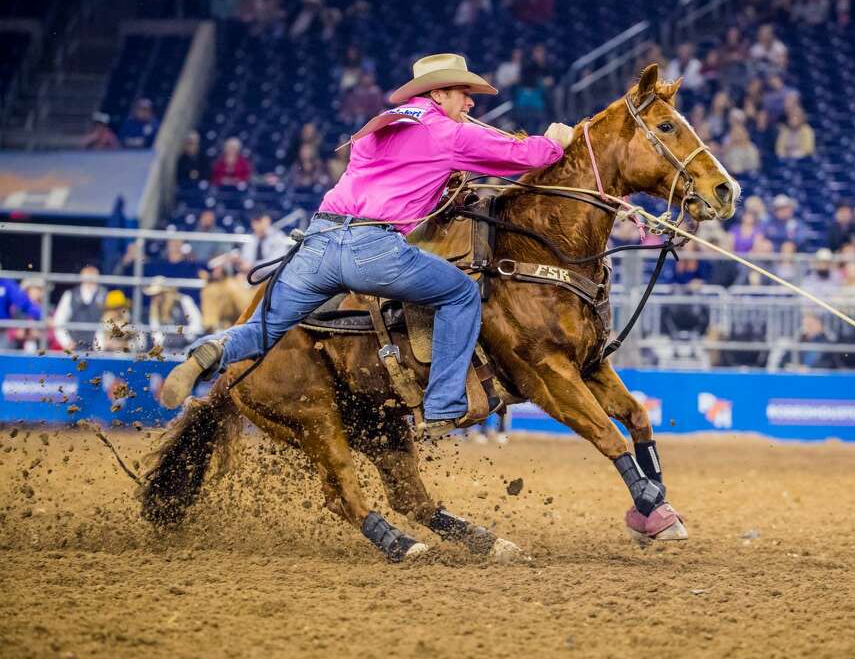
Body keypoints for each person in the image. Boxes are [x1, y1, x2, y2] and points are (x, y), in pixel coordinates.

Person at [162, 54, 575, 439]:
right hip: (374, 247)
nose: (470, 103)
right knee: (461, 293)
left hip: (318, 241)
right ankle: (442, 406)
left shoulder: (376, 125)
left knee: (263, 329)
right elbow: (522, 156)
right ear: (438, 94)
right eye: (463, 93)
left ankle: (211, 350)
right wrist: (555, 141)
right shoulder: (448, 132)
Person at [53, 264, 108, 351]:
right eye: (88, 275)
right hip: (74, 347)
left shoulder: (105, 295)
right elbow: (59, 321)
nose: (90, 279)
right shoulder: (70, 294)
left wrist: (101, 345)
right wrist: (66, 342)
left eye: (93, 276)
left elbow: (108, 320)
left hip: (97, 348)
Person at [146, 277, 204, 351]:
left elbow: (196, 320)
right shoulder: (155, 308)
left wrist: (188, 337)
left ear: (165, 293)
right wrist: (161, 342)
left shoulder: (184, 301)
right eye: (153, 295)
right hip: (166, 347)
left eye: (158, 294)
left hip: (187, 345)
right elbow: (155, 328)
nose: (155, 298)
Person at [0, 272, 43, 350]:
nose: (40, 293)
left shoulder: (7, 284)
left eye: (41, 289)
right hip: (15, 341)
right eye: (37, 289)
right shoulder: (15, 309)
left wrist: (39, 332)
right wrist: (17, 332)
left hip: (35, 347)